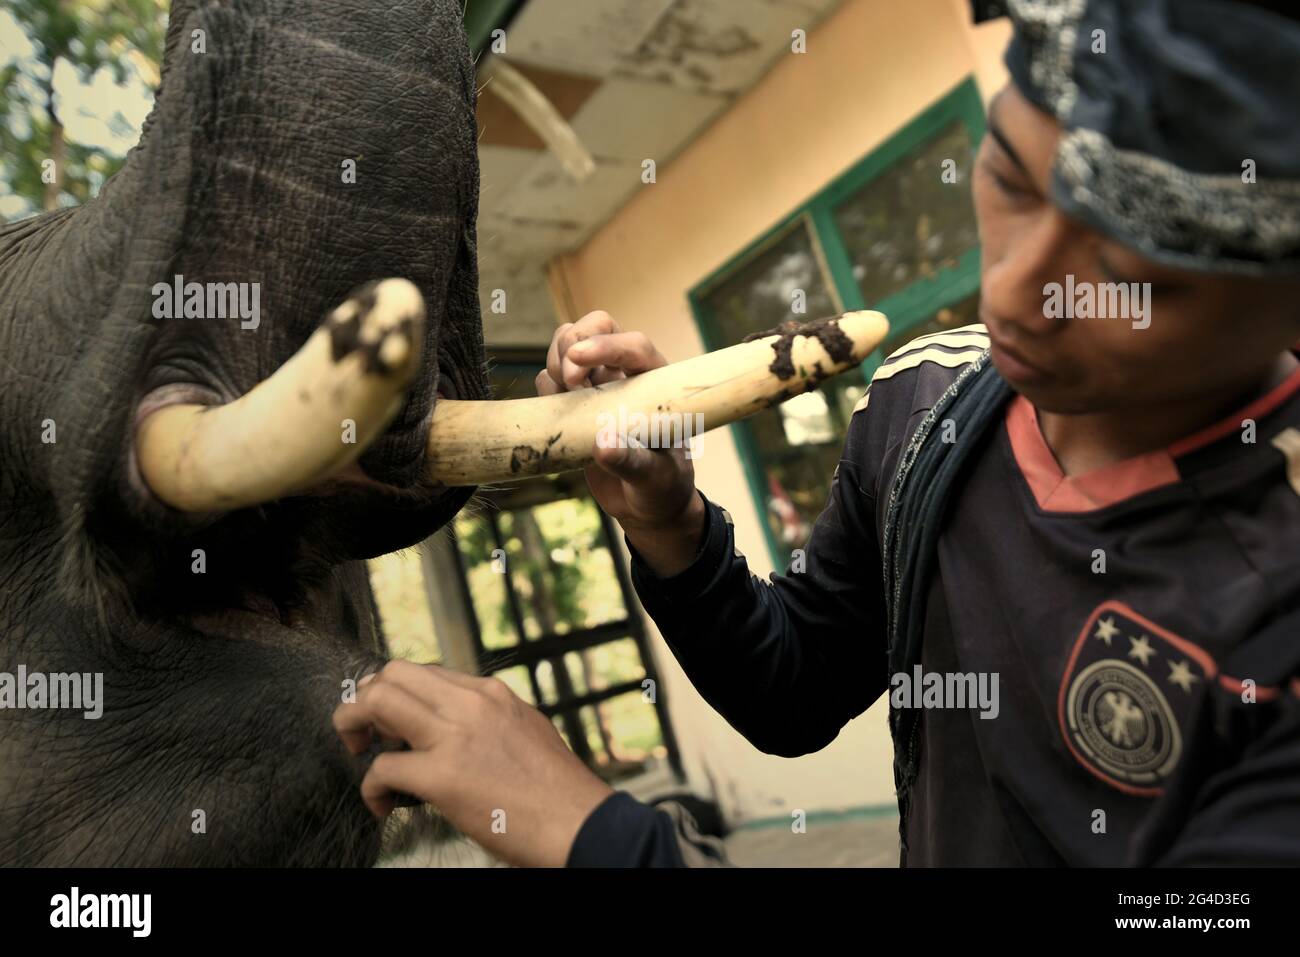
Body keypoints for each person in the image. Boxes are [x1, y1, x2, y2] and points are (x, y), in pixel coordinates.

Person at [333, 0, 1300, 866]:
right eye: (1007, 177)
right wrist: (669, 521)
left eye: (1132, 278)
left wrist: (596, 837)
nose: (1013, 292)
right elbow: (792, 691)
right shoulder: (931, 404)